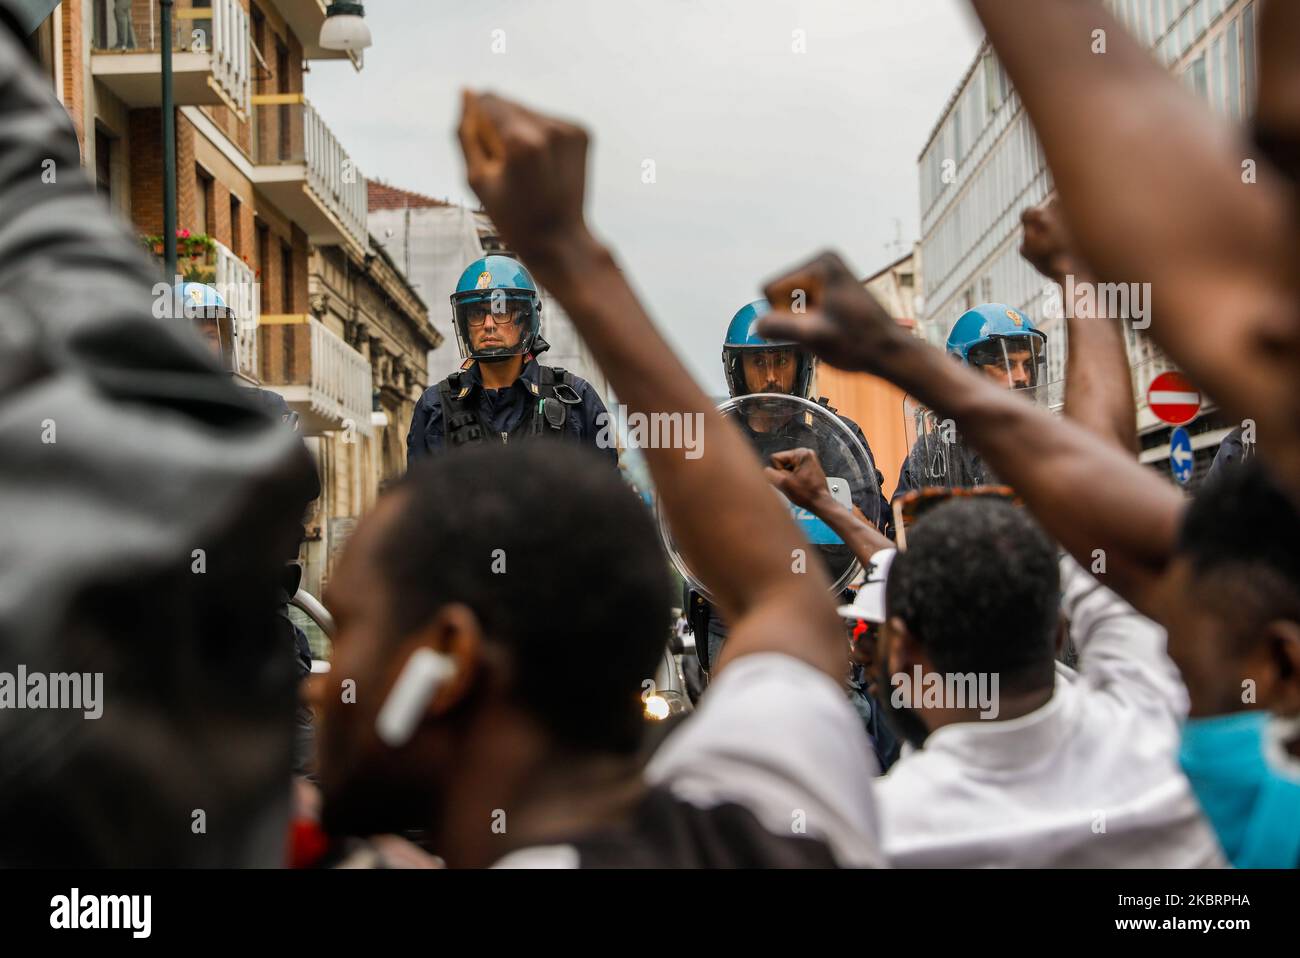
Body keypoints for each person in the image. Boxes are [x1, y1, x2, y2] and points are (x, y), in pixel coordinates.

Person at [311, 91, 886, 868]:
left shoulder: (572, 402)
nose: (321, 688)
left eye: (348, 631)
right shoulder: (774, 818)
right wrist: (569, 247)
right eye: (476, 310)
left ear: (442, 663)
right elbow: (786, 600)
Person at [756, 249, 1300, 866]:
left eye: (1023, 360)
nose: (1016, 376)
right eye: (996, 364)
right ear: (1059, 620)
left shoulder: (870, 835)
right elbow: (1101, 487)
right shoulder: (1155, 738)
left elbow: (920, 575)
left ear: (906, 645)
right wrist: (1079, 273)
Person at [0, 15, 318, 866]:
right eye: (188, 323)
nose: (202, 339)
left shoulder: (249, 418)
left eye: (209, 326)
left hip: (232, 635)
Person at [871, 498, 1222, 866]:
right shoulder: (1158, 731)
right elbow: (1112, 540)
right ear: (1058, 633)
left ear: (899, 648)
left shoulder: (877, 835)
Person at [686, 301, 890, 672]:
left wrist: (820, 504)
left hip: (822, 613)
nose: (771, 377)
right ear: (738, 369)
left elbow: (870, 527)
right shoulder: (715, 445)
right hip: (733, 620)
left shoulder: (837, 441)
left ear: (801, 365)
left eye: (781, 361)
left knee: (852, 715)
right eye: (758, 363)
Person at [406, 254, 615, 466]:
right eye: (477, 314)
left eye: (501, 311)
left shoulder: (577, 399)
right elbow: (415, 495)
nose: (488, 324)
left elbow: (609, 491)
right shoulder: (435, 406)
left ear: (525, 320)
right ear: (465, 324)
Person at [894, 302, 1048, 497]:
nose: (1022, 377)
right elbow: (904, 524)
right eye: (1006, 365)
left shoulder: (1050, 442)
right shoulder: (932, 455)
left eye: (1027, 365)